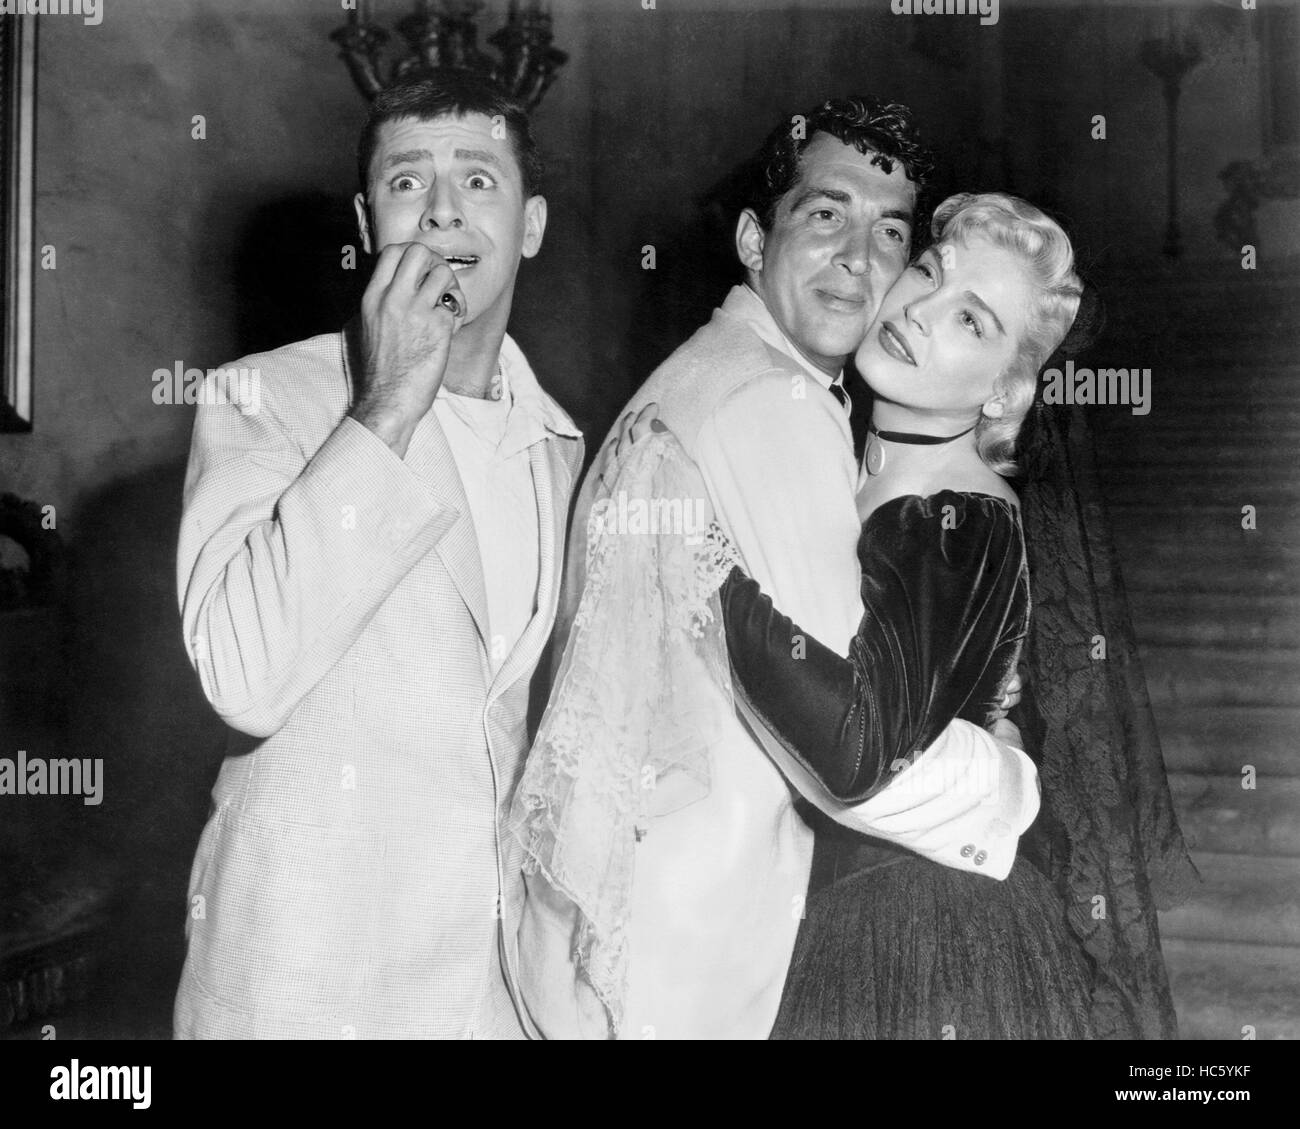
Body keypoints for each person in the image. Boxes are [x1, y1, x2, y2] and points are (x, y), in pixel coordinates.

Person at [513, 98, 1041, 1040]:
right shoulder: (776, 406)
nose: (861, 260)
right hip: (700, 949)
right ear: (755, 240)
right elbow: (858, 756)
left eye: (893, 234)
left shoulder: (692, 374)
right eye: (825, 214)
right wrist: (1011, 785)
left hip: (604, 933)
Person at [173, 74, 582, 1038]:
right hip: (298, 987)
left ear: (530, 225)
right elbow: (243, 679)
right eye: (409, 181)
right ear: (368, 221)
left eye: (480, 179)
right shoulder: (259, 397)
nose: (444, 207)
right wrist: (389, 400)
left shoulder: (560, 444)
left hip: (481, 998)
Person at [718, 192, 1094, 1038]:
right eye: (928, 271)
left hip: (920, 937)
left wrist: (709, 575)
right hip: (843, 901)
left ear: (1003, 392)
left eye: (970, 319)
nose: (919, 311)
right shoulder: (857, 459)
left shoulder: (956, 515)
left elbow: (858, 751)